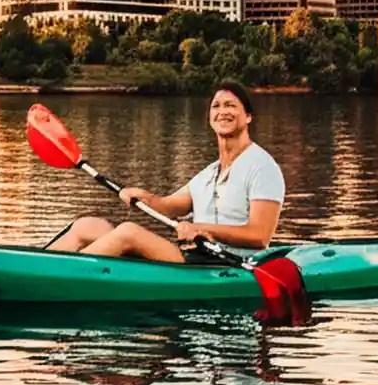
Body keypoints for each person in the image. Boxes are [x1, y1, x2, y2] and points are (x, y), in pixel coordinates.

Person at [44, 81, 285, 264]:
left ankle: (55, 277)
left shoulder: (262, 167)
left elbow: (259, 236)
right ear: (210, 117)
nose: (223, 111)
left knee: (128, 232)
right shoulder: (209, 173)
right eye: (216, 106)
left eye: (231, 105)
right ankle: (38, 266)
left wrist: (201, 229)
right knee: (88, 225)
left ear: (248, 116)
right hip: (192, 253)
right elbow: (169, 206)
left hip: (225, 262)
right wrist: (143, 196)